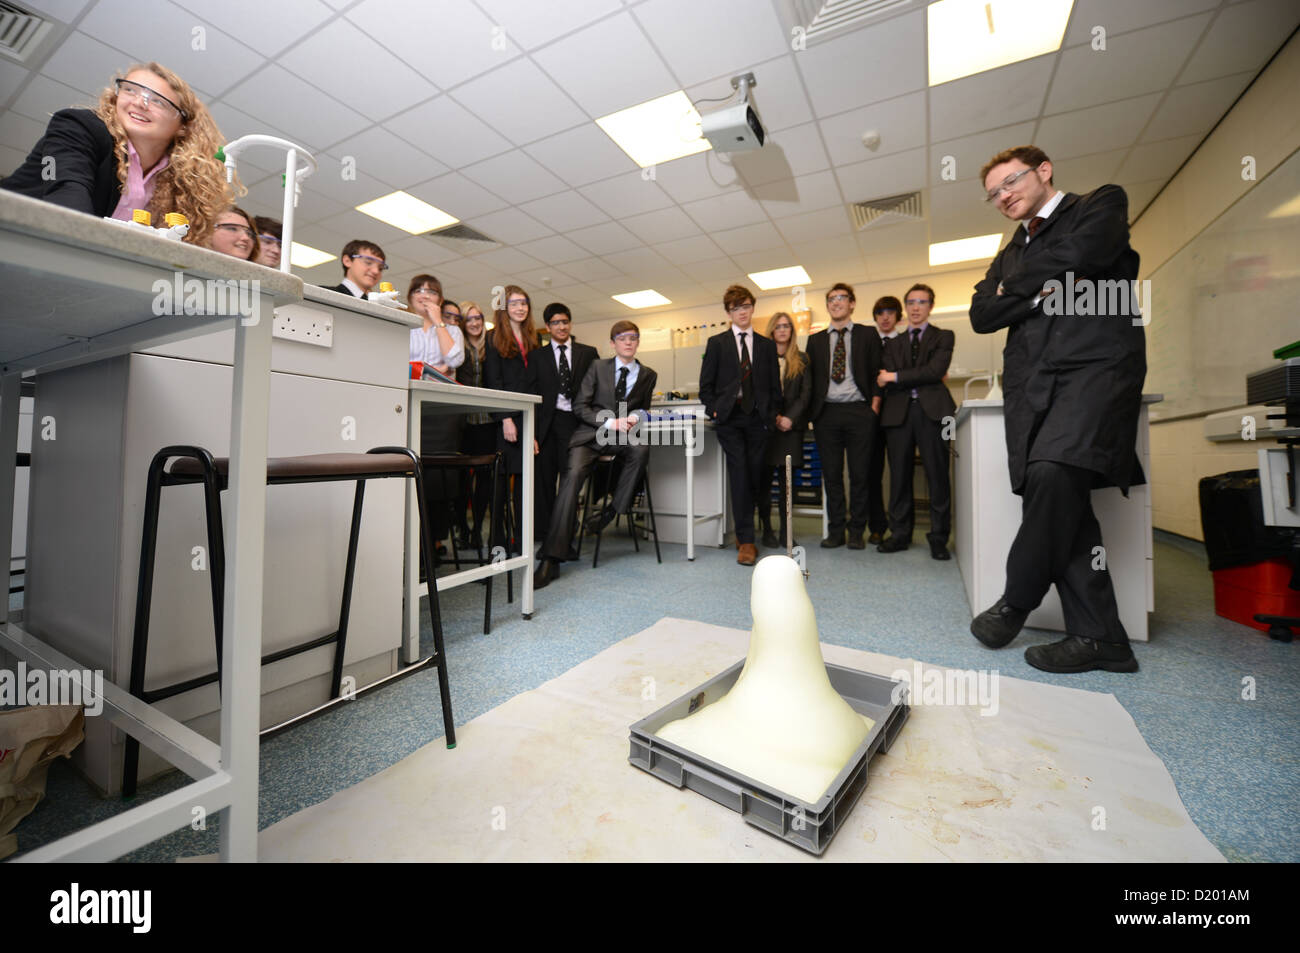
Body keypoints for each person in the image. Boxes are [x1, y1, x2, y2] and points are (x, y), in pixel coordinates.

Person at [968, 144, 1144, 674]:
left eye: (1011, 182)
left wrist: (1017, 289)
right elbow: (981, 312)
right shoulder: (1009, 249)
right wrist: (1041, 287)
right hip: (1033, 384)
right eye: (993, 193)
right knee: (1058, 494)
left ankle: (1015, 601)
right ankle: (1101, 638)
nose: (1003, 196)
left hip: (1094, 370)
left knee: (1052, 472)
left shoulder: (1099, 204)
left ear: (1044, 171)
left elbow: (1085, 253)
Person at [1, 62, 232, 246]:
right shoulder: (80, 127)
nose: (140, 103)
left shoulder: (177, 181)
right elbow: (68, 198)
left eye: (158, 101)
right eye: (130, 90)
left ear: (183, 125)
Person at [534, 321, 658, 589]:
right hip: (591, 435)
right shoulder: (598, 367)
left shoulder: (648, 374)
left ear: (638, 342)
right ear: (612, 343)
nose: (628, 342)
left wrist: (635, 416)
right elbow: (580, 406)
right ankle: (550, 559)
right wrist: (608, 422)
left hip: (622, 437)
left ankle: (612, 511)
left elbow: (644, 409)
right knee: (572, 477)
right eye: (622, 338)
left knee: (641, 449)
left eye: (633, 338)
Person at [700, 285, 781, 566]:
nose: (742, 312)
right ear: (728, 312)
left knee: (757, 475)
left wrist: (770, 415)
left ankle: (755, 528)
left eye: (745, 306)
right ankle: (746, 540)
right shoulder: (717, 344)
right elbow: (705, 386)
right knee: (740, 475)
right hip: (730, 419)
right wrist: (715, 411)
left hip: (758, 420)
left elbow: (774, 387)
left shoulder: (766, 345)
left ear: (752, 308)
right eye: (736, 308)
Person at [876, 284, 957, 559]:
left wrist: (895, 377)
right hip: (898, 413)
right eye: (911, 302)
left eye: (921, 302)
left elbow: (935, 371)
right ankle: (899, 534)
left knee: (937, 475)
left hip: (932, 411)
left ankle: (938, 537)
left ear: (930, 306)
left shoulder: (944, 336)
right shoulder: (893, 343)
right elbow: (928, 373)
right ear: (906, 307)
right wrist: (922, 374)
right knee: (898, 477)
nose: (915, 307)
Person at [805, 282, 883, 550]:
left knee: (860, 475)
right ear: (827, 306)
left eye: (842, 298)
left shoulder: (867, 335)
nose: (836, 302)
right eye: (831, 299)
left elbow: (877, 372)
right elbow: (811, 381)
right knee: (832, 476)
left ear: (852, 303)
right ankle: (836, 530)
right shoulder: (815, 341)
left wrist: (873, 406)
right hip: (827, 414)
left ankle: (856, 532)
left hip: (860, 412)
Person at [531, 303, 598, 545]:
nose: (562, 326)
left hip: (577, 423)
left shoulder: (588, 353)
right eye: (556, 323)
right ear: (548, 327)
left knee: (570, 479)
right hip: (547, 425)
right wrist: (532, 433)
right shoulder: (537, 356)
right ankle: (545, 532)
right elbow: (532, 394)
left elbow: (598, 389)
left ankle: (566, 532)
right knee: (545, 480)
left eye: (565, 321)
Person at [483, 284, 541, 556]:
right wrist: (505, 418)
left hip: (528, 417)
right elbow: (493, 382)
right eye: (514, 303)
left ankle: (522, 542)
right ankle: (497, 543)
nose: (520, 307)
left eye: (524, 303)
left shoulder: (533, 339)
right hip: (506, 420)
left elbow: (535, 384)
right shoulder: (493, 337)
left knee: (523, 486)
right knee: (500, 486)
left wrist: (532, 429)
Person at [759, 311, 811, 548]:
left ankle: (786, 532)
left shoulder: (802, 359)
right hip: (767, 428)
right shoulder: (762, 358)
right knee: (764, 482)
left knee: (787, 484)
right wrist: (775, 417)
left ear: (792, 330)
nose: (782, 330)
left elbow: (805, 394)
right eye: (778, 326)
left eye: (787, 326)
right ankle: (767, 530)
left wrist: (790, 418)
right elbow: (758, 393)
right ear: (771, 330)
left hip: (792, 429)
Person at [455, 301, 495, 551]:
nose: (475, 323)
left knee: (484, 479)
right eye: (469, 319)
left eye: (478, 317)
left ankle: (478, 528)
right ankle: (463, 528)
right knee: (460, 480)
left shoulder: (490, 347)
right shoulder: (457, 346)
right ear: (462, 323)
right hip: (461, 420)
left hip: (487, 421)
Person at [866, 296, 903, 544]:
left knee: (900, 473)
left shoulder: (906, 342)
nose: (885, 317)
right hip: (871, 417)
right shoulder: (868, 342)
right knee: (871, 473)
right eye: (880, 313)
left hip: (901, 414)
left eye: (890, 312)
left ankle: (901, 527)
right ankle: (877, 527)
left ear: (898, 316)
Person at [408, 274, 464, 376]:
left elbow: (455, 361)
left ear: (440, 300)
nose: (425, 296)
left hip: (437, 389)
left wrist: (438, 321)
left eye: (432, 292)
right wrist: (435, 370)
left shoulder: (453, 330)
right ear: (410, 298)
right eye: (418, 291)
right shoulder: (404, 327)